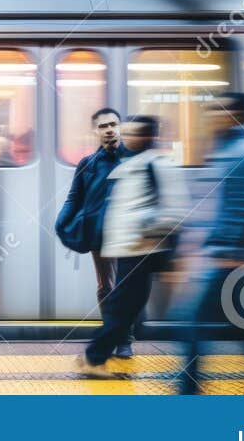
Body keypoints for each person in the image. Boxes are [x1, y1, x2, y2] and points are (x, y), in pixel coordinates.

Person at [178, 93, 244, 395]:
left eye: (217, 110)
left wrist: (229, 251)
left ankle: (187, 390)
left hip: (228, 257)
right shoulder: (228, 148)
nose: (210, 115)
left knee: (191, 323)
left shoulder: (241, 152)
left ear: (233, 114)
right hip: (227, 254)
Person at [74, 116, 186, 376]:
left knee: (125, 305)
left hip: (143, 248)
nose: (127, 138)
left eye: (134, 133)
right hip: (132, 249)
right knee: (125, 305)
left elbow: (172, 210)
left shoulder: (155, 165)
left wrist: (144, 228)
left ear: (147, 137)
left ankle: (95, 356)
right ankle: (94, 357)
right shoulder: (131, 165)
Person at [55, 108, 137, 357]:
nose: (109, 130)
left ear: (120, 127)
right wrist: (61, 223)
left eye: (113, 124)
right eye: (103, 126)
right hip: (99, 235)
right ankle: (115, 336)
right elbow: (74, 198)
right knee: (105, 287)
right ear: (95, 131)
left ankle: (125, 338)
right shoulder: (88, 164)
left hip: (128, 235)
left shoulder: (133, 160)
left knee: (126, 288)